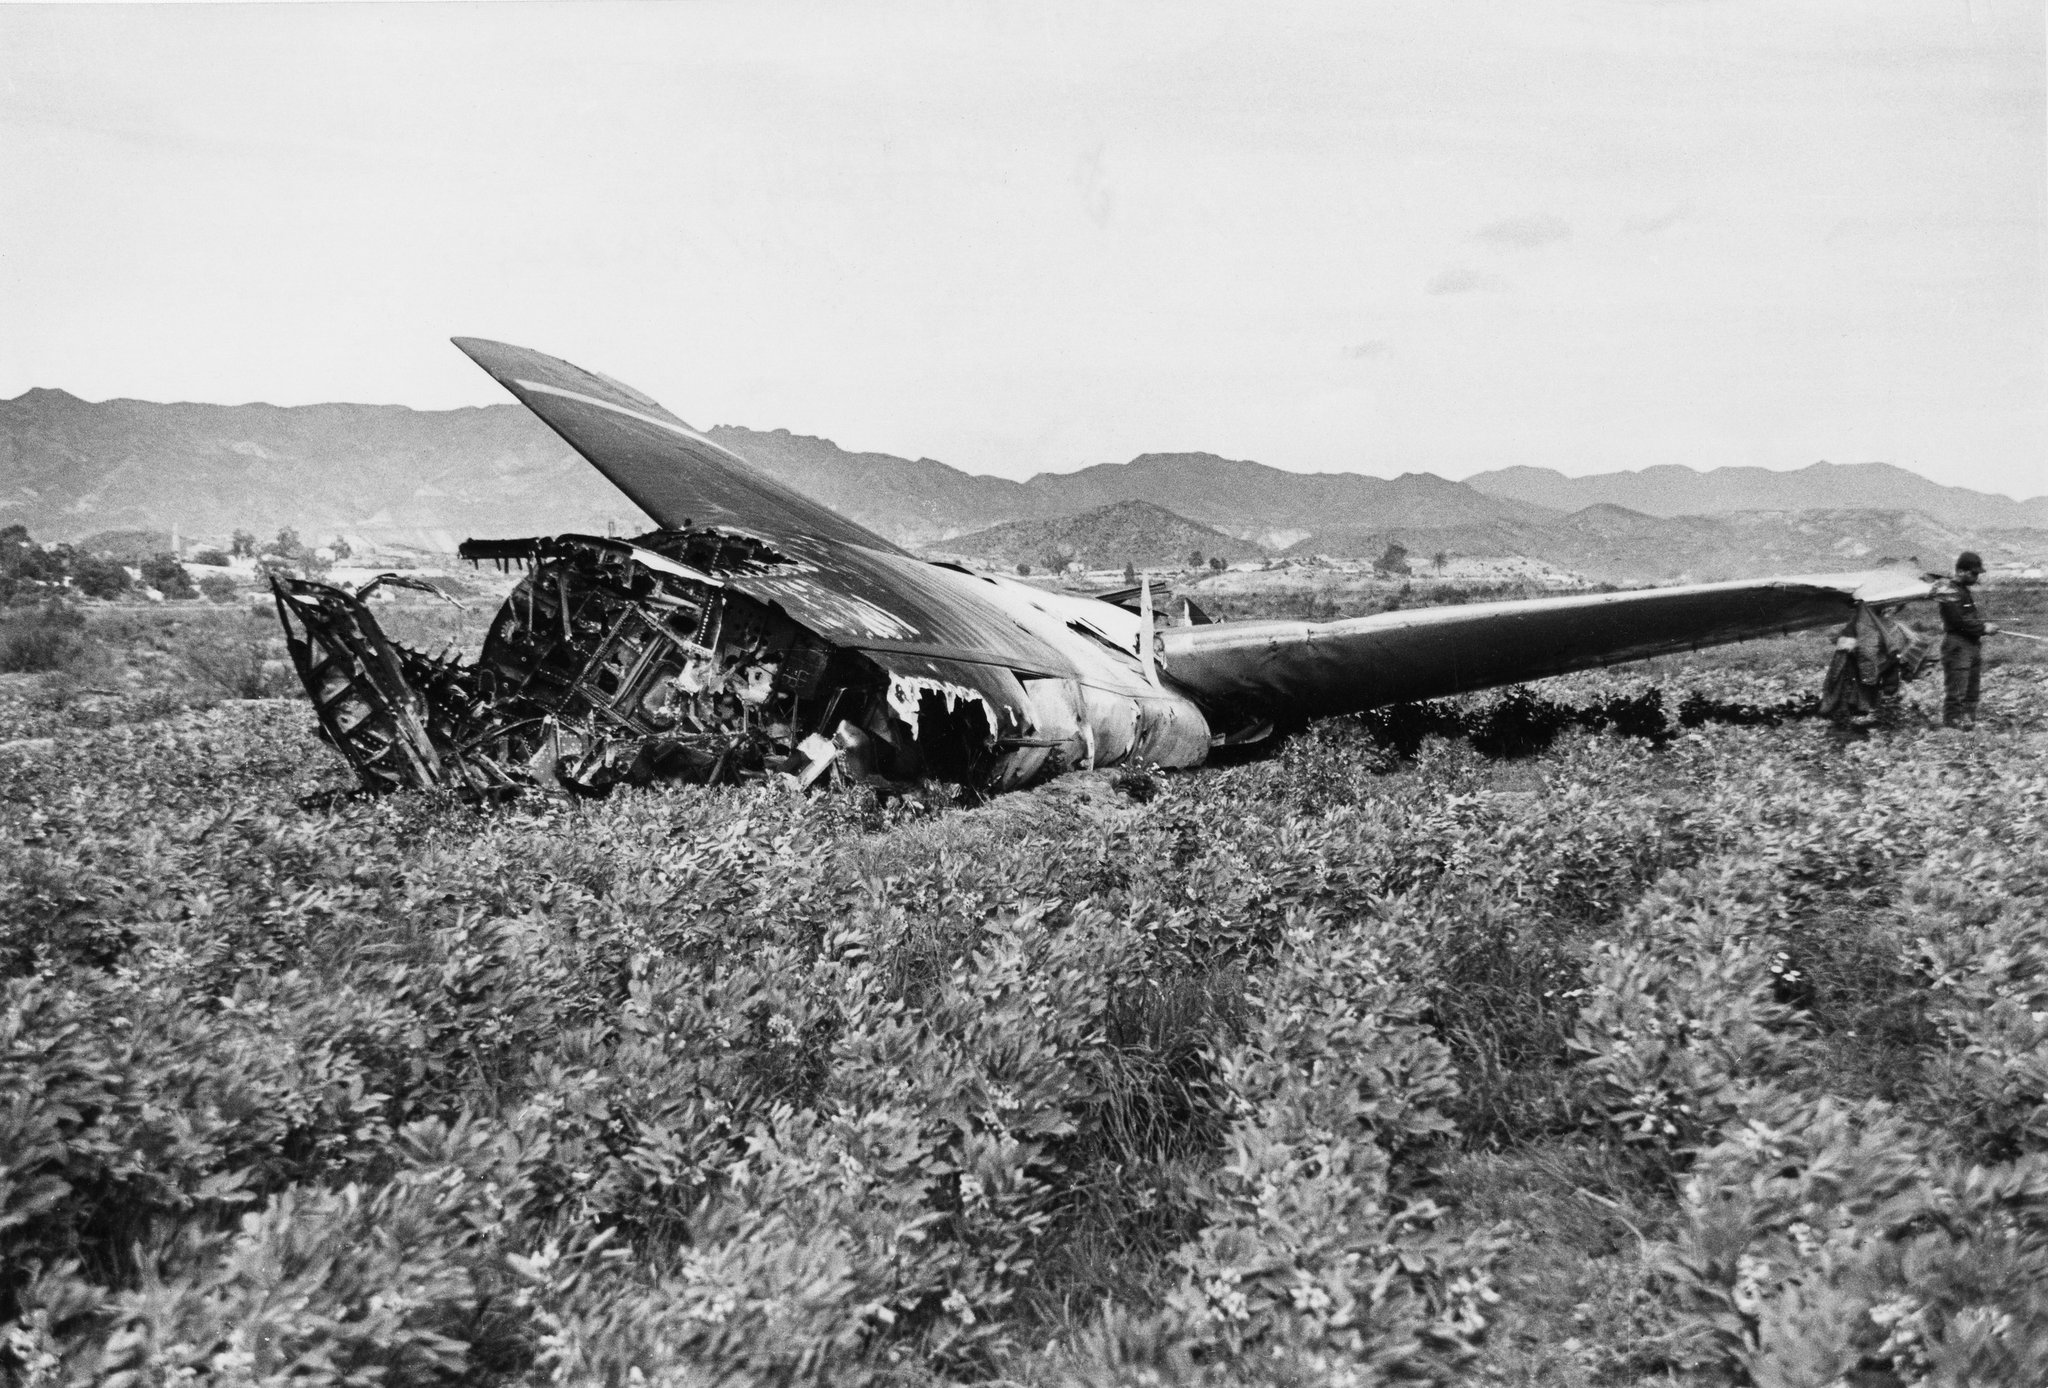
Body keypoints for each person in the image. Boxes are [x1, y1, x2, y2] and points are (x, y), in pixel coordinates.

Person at [1937, 551, 1998, 729]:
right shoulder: (1949, 590)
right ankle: (1952, 732)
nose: (1976, 577)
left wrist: (1983, 626)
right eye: (1973, 573)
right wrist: (1983, 628)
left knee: (1971, 692)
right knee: (1957, 693)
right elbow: (1958, 621)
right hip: (1958, 645)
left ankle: (1968, 728)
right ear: (1961, 571)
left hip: (1971, 645)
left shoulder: (1963, 591)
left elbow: (1968, 618)